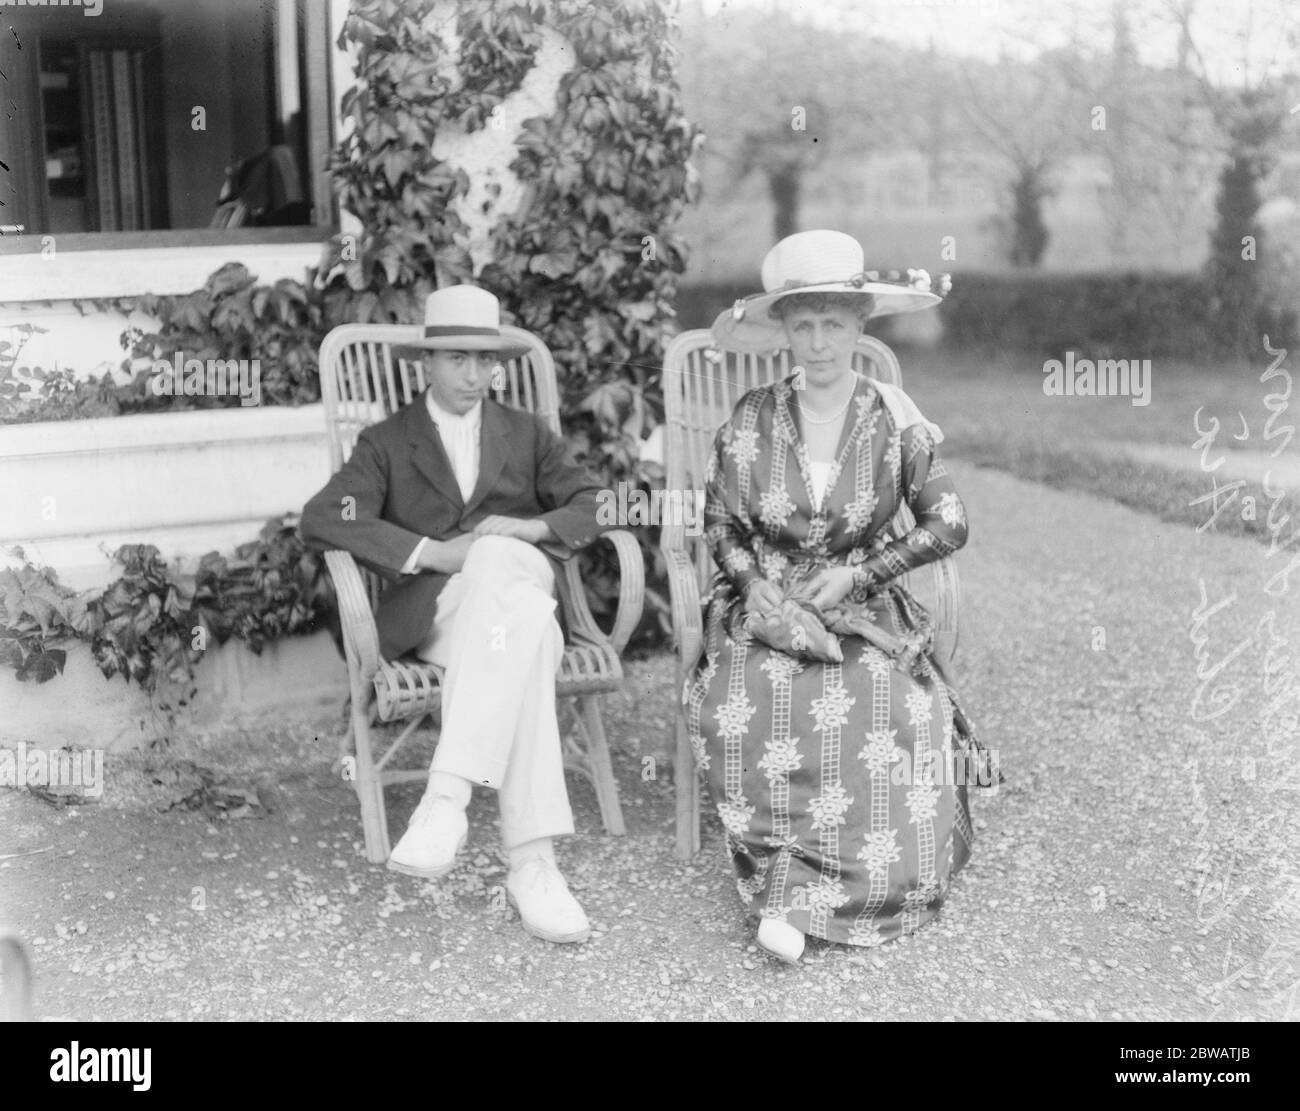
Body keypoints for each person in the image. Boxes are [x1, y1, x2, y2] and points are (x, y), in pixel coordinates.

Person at [685, 230, 999, 963]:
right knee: (755, 695)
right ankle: (787, 881)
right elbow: (718, 521)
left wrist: (861, 574)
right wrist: (756, 583)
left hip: (865, 609)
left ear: (861, 327)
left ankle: (816, 898)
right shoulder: (752, 417)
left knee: (884, 700)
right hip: (765, 609)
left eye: (835, 323)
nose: (820, 341)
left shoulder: (893, 418)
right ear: (785, 331)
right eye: (804, 324)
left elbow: (950, 521)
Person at [300, 285, 610, 945]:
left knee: (501, 559)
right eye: (457, 360)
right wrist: (434, 551)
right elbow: (325, 516)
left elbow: (591, 503)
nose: (474, 375)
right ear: (426, 363)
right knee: (521, 624)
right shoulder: (386, 442)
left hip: (514, 587)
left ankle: (446, 800)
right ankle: (534, 866)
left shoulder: (524, 434)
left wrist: (524, 533)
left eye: (485, 360)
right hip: (445, 617)